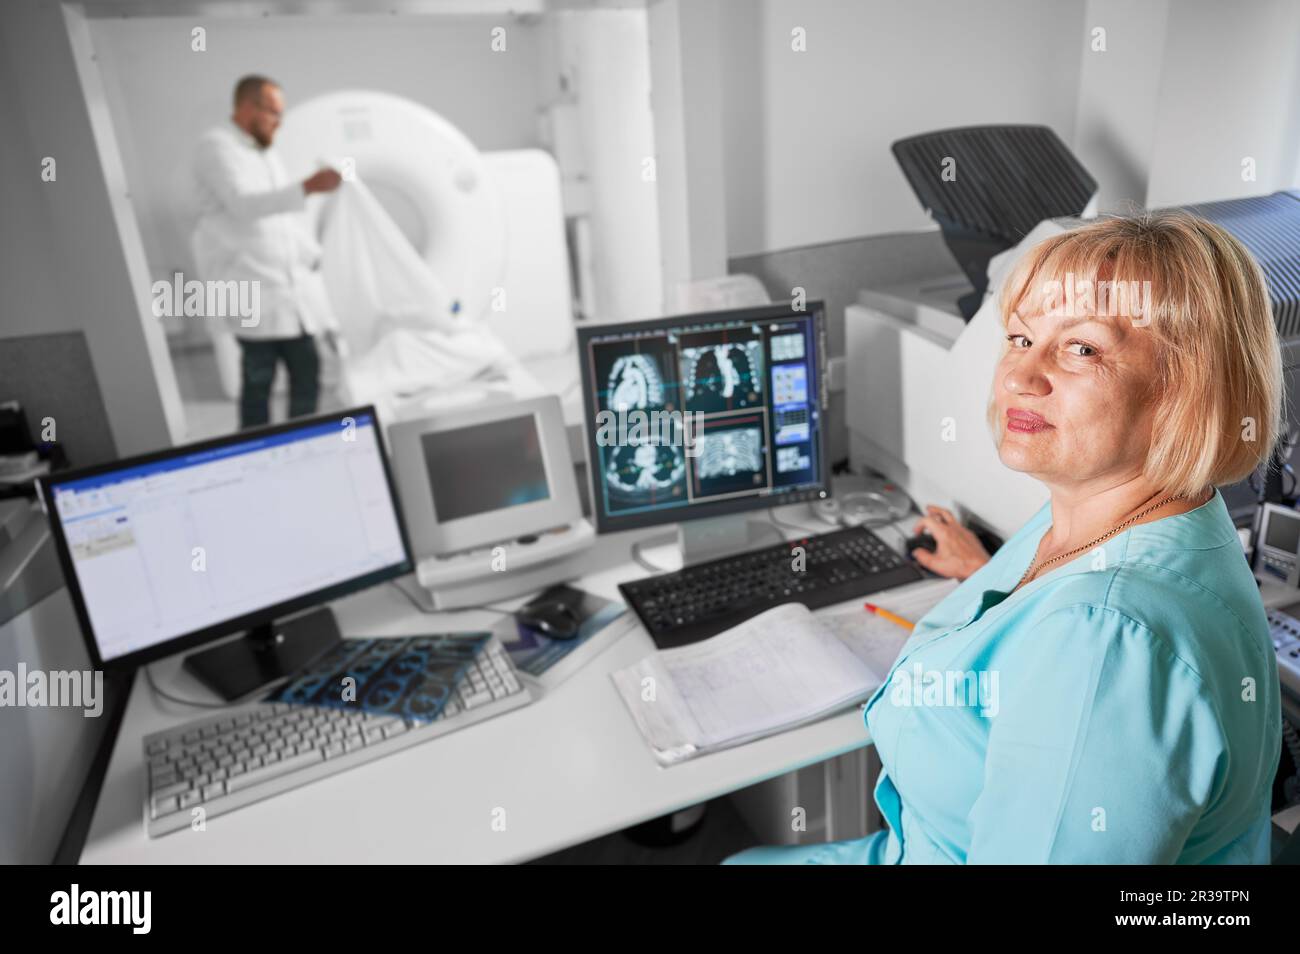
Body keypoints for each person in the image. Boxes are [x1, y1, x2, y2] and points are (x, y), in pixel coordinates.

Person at [725, 211, 1284, 863]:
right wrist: (985, 575)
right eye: (1021, 338)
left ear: (1185, 388)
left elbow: (1099, 650)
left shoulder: (1105, 645)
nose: (1021, 375)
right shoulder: (1121, 512)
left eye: (1082, 347)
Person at [191, 75, 342, 429]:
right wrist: (308, 186)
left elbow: (283, 219)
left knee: (308, 372)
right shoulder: (216, 147)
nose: (279, 121)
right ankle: (254, 444)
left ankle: (303, 439)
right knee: (259, 381)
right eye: (273, 112)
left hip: (288, 287)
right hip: (252, 286)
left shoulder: (266, 153)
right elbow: (244, 206)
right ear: (247, 107)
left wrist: (312, 252)